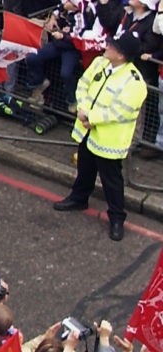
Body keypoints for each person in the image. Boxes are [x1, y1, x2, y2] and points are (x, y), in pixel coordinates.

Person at [56, 31, 149, 240]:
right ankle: (79, 198)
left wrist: (92, 117)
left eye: (113, 46)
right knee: (85, 168)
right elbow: (83, 85)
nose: (107, 46)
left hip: (109, 140)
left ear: (122, 56)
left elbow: (121, 111)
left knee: (112, 181)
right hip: (87, 131)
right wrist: (82, 109)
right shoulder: (99, 63)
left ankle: (117, 218)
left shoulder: (134, 83)